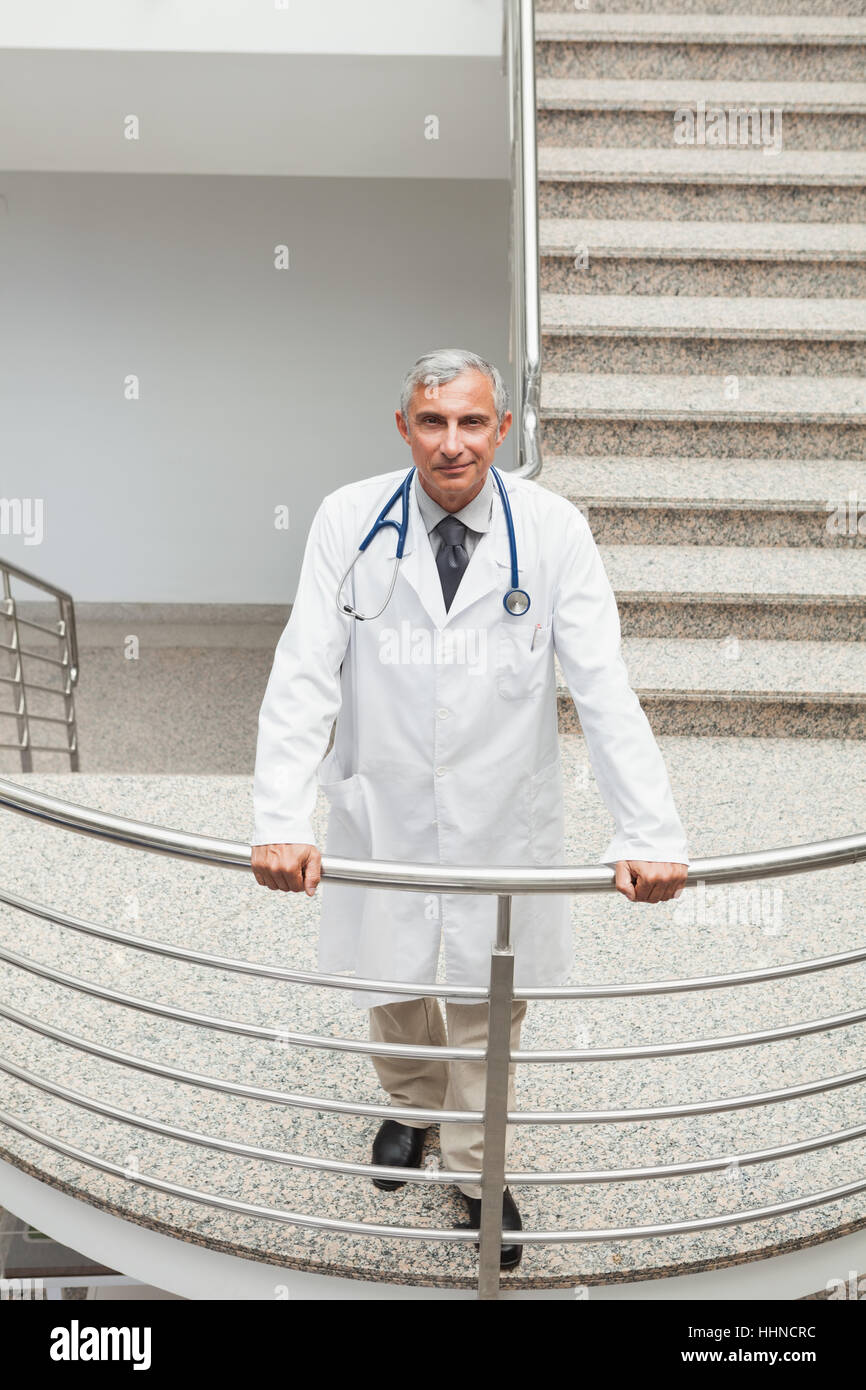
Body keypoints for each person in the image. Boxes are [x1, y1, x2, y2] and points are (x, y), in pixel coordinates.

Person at [251, 347, 689, 1269]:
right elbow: (302, 677)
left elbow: (605, 686)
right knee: (395, 979)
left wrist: (649, 832)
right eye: (434, 421)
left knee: (491, 1005)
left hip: (502, 812)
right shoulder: (347, 520)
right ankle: (408, 1109)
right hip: (387, 800)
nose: (454, 443)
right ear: (404, 426)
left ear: (505, 428)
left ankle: (479, 1173)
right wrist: (280, 819)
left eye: (473, 421)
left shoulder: (555, 531)